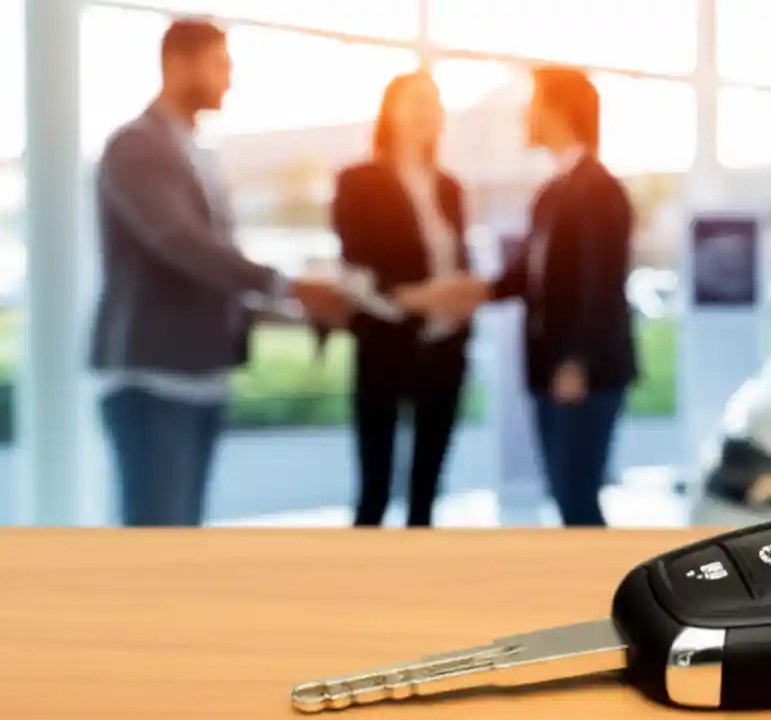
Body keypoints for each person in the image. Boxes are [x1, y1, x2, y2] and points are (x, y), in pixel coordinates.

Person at [91, 19, 348, 527]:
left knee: (183, 538)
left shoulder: (198, 151)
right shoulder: (136, 146)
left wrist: (293, 311)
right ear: (178, 63)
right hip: (153, 380)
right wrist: (288, 285)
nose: (228, 80)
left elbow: (212, 275)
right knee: (157, 544)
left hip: (202, 375)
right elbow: (180, 243)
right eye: (220, 65)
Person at [397, 67, 636, 526]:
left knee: (577, 499)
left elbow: (599, 286)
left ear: (559, 111)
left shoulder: (599, 190)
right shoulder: (553, 193)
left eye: (533, 104)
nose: (525, 116)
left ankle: (605, 594)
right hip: (550, 369)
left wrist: (576, 361)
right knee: (566, 497)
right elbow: (528, 277)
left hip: (583, 372)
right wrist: (472, 291)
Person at [331, 72, 469, 527]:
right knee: (374, 490)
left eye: (436, 102)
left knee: (426, 492)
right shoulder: (359, 180)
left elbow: (458, 261)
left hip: (445, 349)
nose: (429, 111)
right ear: (390, 109)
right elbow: (355, 268)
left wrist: (461, 295)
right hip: (385, 345)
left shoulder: (450, 187)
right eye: (417, 101)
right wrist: (415, 298)